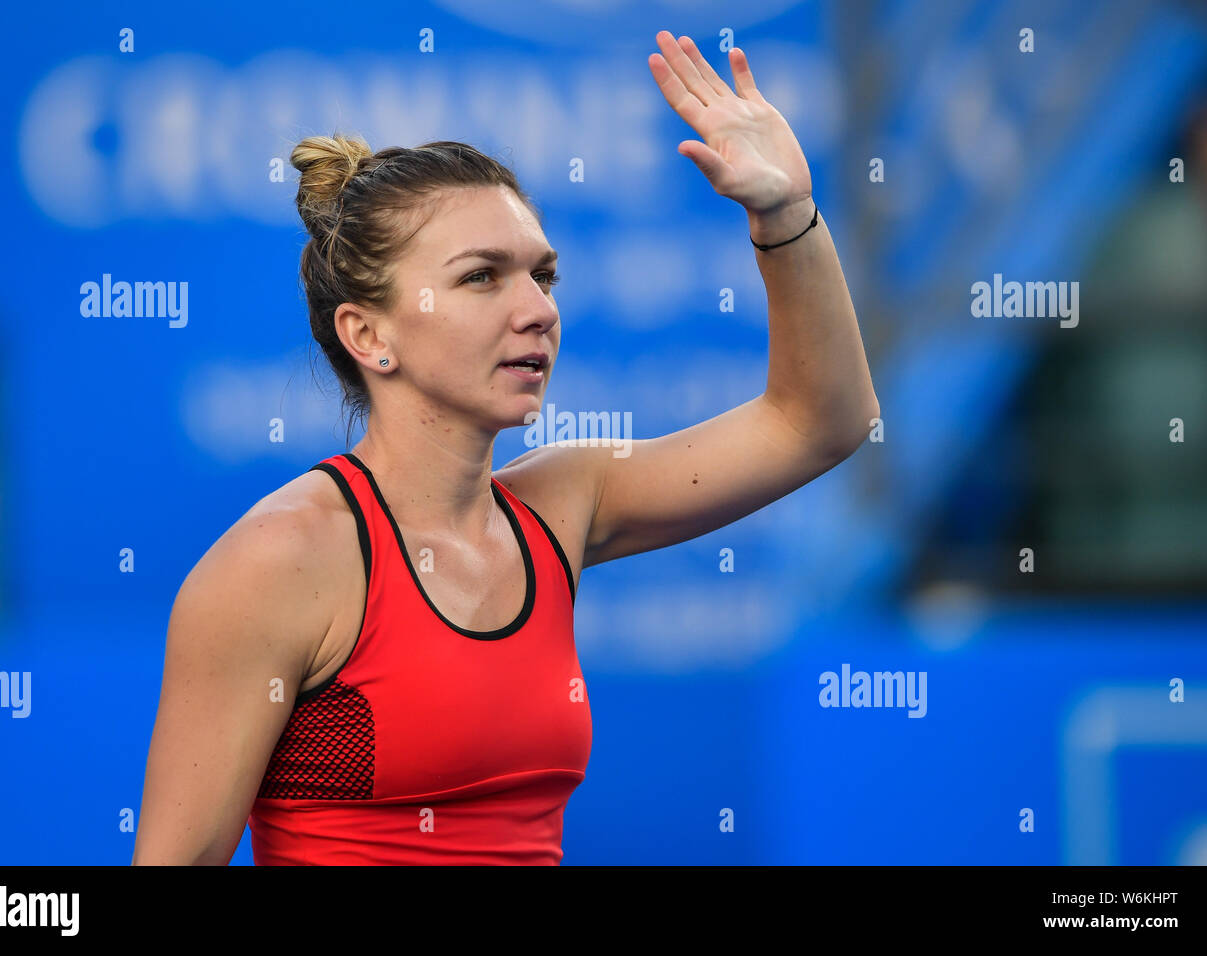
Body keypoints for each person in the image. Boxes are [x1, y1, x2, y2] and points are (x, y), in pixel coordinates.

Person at [131, 31, 878, 865]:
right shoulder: (278, 559)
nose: (538, 310)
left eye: (543, 275)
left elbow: (819, 423)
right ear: (369, 333)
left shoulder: (567, 501)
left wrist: (784, 214)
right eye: (482, 277)